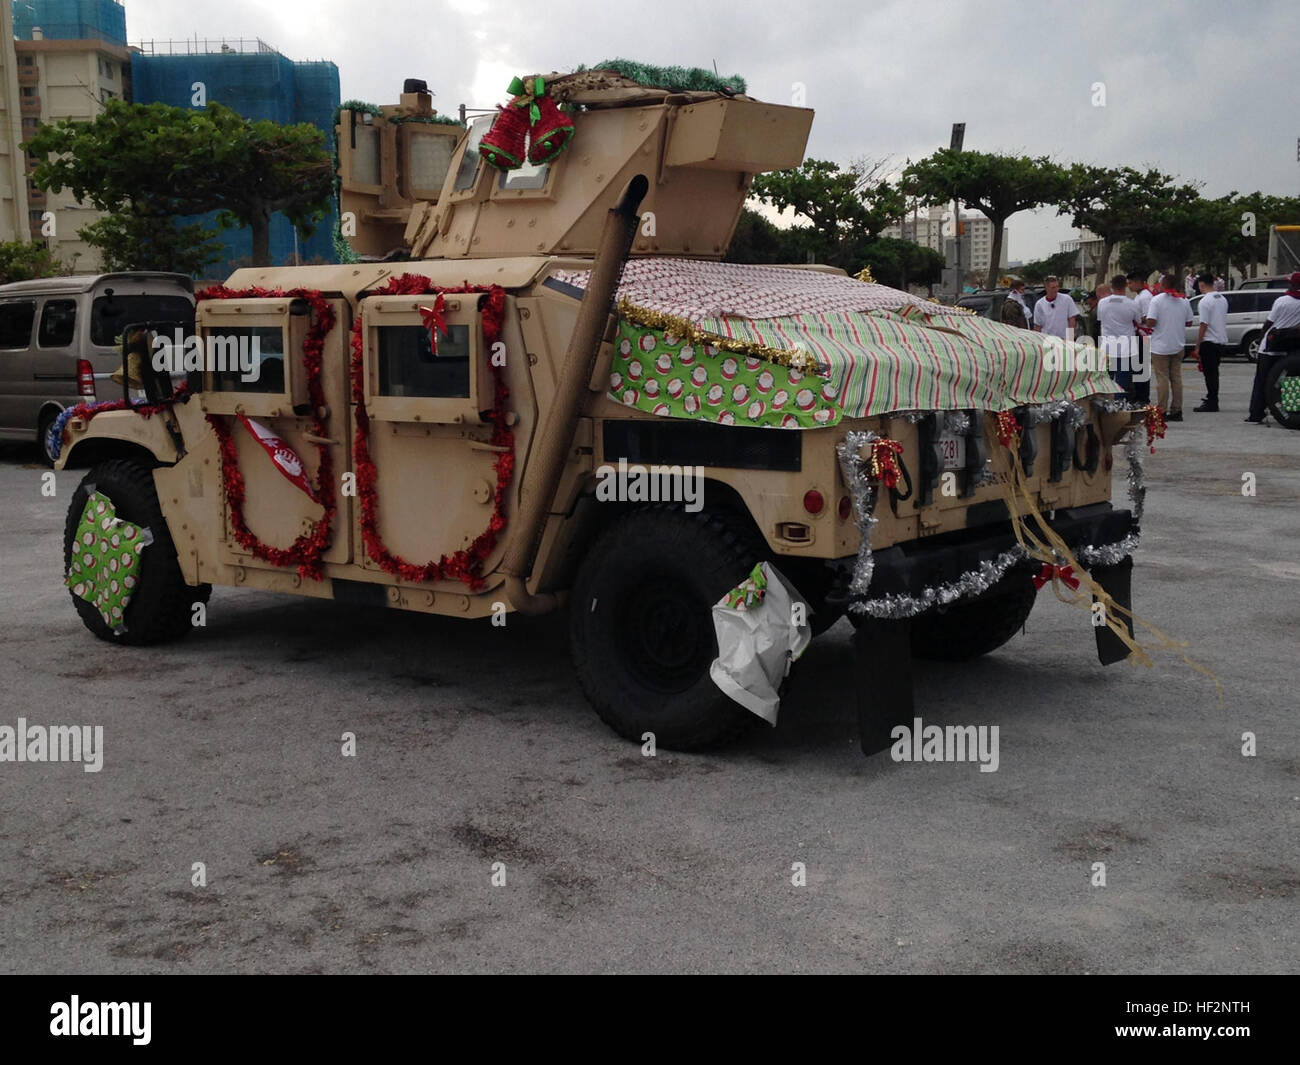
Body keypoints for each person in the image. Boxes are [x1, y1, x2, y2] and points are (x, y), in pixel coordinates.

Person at [1246, 271, 1300, 422]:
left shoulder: (1282, 301)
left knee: (1262, 381)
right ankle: (1291, 412)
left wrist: (1262, 337)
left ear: (1292, 284)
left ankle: (1256, 414)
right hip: (1288, 349)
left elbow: (1270, 322)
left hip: (1270, 347)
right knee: (1290, 380)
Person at [1143, 273, 1193, 420]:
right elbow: (1189, 322)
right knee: (1176, 378)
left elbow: (1151, 322)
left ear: (1163, 284)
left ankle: (1162, 410)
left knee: (1162, 378)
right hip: (1178, 343)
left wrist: (1146, 320)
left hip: (1160, 345)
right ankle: (1177, 410)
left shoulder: (1157, 300)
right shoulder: (1184, 301)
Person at [1097, 274, 1143, 389]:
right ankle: (1118, 402)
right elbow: (1139, 320)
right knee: (1122, 379)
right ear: (1126, 286)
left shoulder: (1102, 303)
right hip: (1125, 345)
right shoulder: (1132, 304)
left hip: (1107, 345)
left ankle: (1107, 402)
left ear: (1112, 286)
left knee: (1106, 378)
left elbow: (1100, 319)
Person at [1192, 272, 1227, 412]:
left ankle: (1212, 401)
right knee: (1214, 372)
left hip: (1209, 341)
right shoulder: (1222, 298)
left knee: (1209, 374)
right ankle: (1212, 398)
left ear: (1202, 285)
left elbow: (1203, 324)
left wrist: (1197, 345)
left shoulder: (1205, 301)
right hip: (1221, 339)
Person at [1126, 273, 1154, 402]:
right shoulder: (1140, 296)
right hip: (1138, 336)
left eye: (1130, 283)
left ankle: (1143, 397)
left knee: (1141, 368)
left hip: (1143, 336)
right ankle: (1139, 395)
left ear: (1138, 282)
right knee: (1137, 368)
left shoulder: (1145, 297)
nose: (1129, 286)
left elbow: (1149, 318)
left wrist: (1135, 318)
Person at [1032, 276, 1079, 340]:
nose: (1056, 290)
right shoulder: (1039, 304)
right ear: (1046, 288)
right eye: (1053, 288)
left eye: (1057, 286)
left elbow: (1072, 320)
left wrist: (1070, 339)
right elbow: (1037, 326)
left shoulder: (1067, 299)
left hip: (1064, 340)